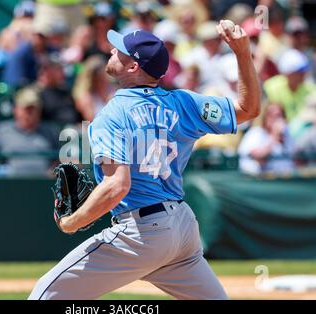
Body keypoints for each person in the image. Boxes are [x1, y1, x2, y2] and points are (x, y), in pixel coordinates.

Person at [29, 22, 261, 300]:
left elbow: (118, 186)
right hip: (182, 229)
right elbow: (249, 108)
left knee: (45, 295)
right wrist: (242, 54)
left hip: (142, 232)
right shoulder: (183, 102)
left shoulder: (113, 114)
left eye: (120, 51)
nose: (113, 50)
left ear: (132, 68)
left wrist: (73, 222)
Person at [0, 87, 58, 177]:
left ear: (39, 110)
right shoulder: (3, 130)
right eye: (26, 109)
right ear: (16, 109)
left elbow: (58, 159)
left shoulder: (50, 132)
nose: (29, 113)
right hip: (10, 185)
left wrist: (53, 170)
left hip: (43, 185)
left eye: (33, 109)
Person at [238, 102, 295, 175]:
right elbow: (257, 157)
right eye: (272, 116)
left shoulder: (287, 134)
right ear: (265, 117)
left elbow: (296, 158)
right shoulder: (256, 133)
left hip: (285, 179)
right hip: (260, 180)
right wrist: (275, 137)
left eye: (279, 116)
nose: (276, 119)